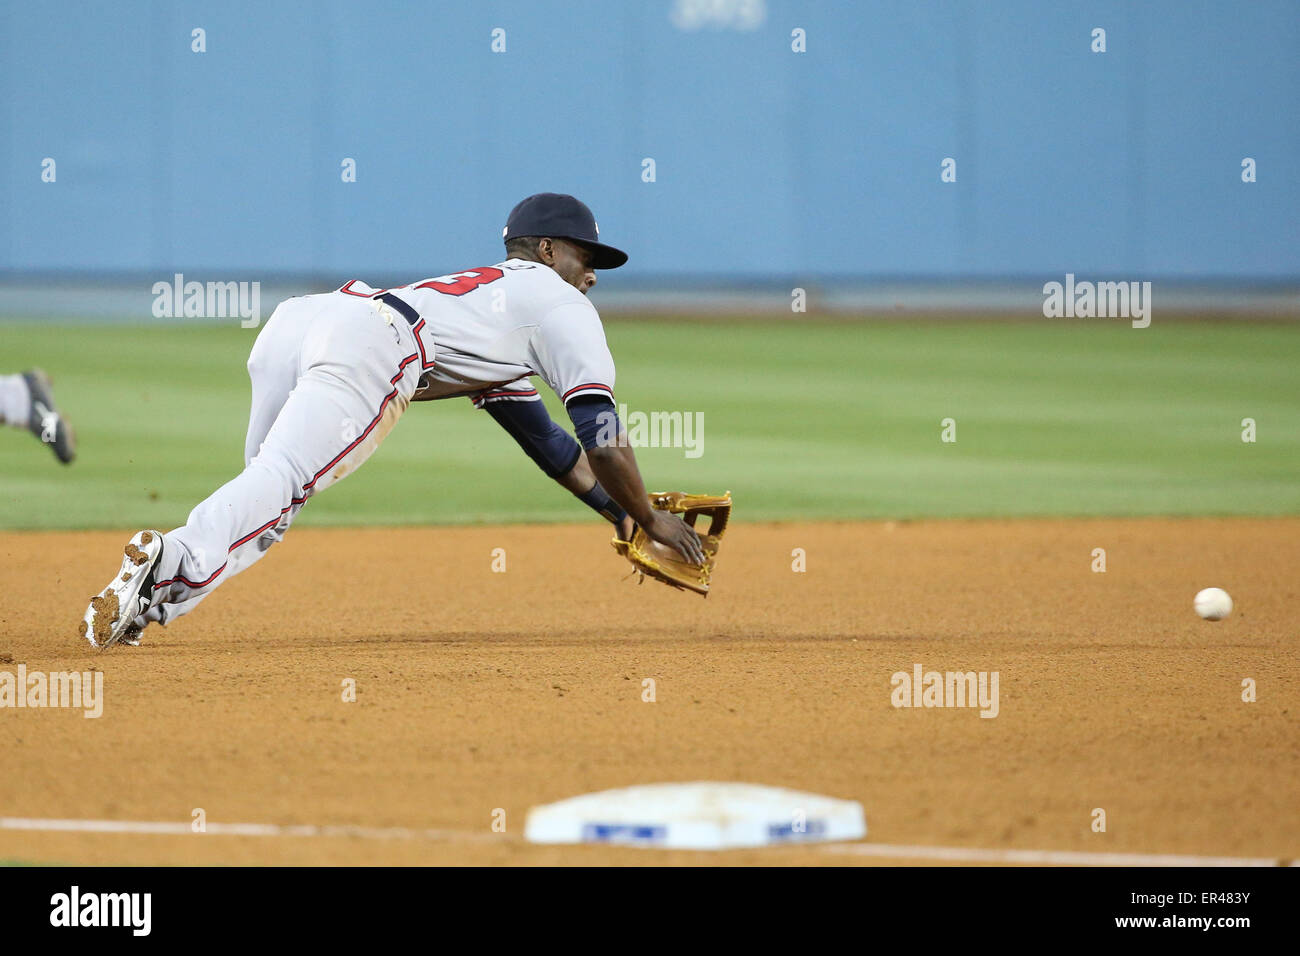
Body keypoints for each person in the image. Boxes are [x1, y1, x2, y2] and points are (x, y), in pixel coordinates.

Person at [81, 193, 704, 649]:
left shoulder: (496, 309)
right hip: (374, 341)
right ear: (546, 251)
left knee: (268, 500)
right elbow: (599, 434)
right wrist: (651, 518)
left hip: (306, 319)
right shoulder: (561, 304)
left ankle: (148, 600)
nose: (592, 272)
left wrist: (621, 516)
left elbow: (547, 443)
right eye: (585, 254)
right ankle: (169, 558)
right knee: (280, 483)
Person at [0, 369, 76, 464]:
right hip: (28, 397)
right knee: (63, 453)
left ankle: (52, 419)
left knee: (64, 454)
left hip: (30, 401)